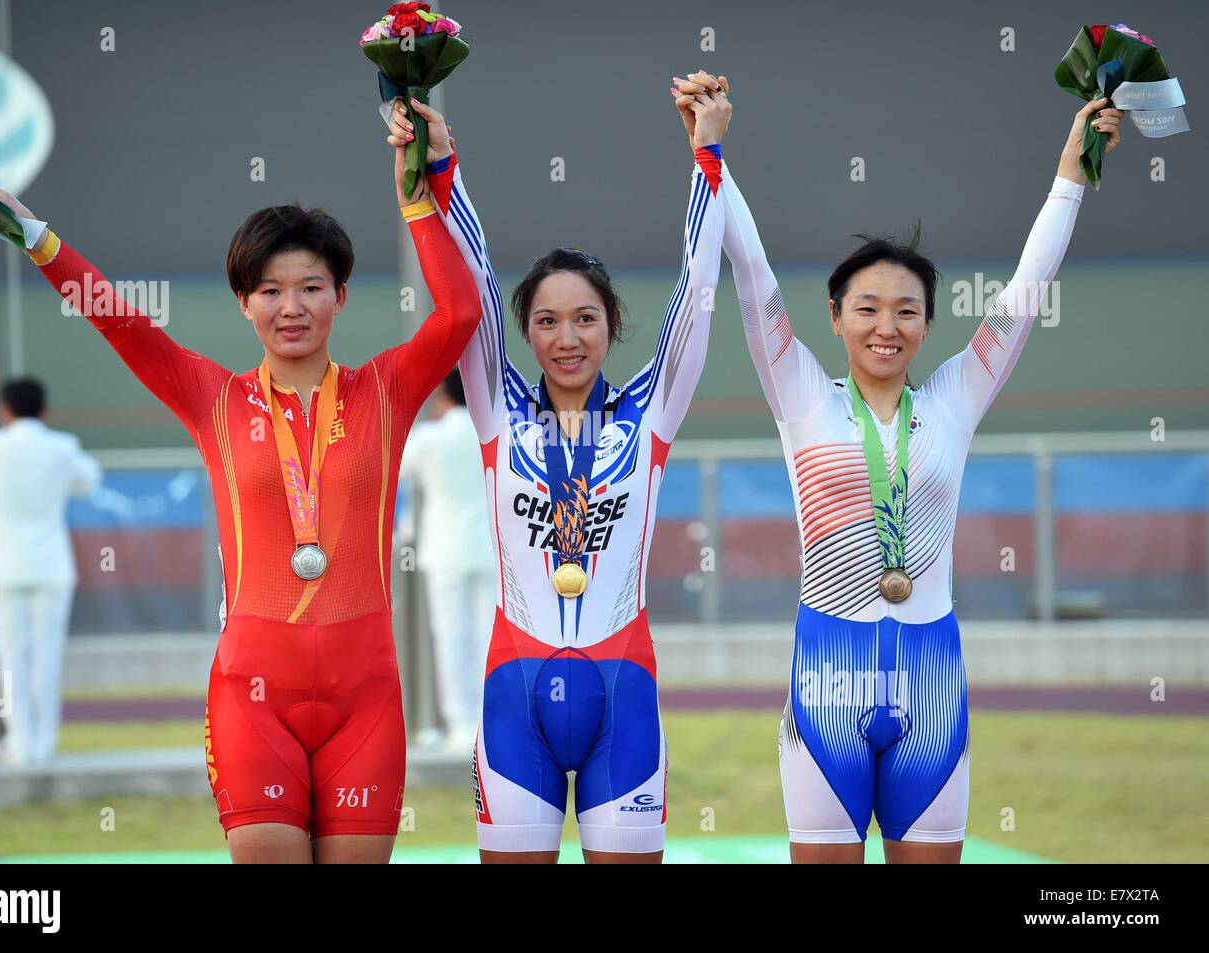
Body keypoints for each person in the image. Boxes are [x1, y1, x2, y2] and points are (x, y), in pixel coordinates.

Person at [0, 139, 480, 863]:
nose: (291, 307)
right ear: (243, 303)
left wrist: (420, 191)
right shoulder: (212, 396)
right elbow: (116, 319)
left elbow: (459, 314)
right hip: (252, 696)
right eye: (269, 290)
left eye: (311, 286)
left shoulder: (385, 392)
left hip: (368, 699)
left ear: (341, 296)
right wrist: (30, 232)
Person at [672, 71, 1124, 863]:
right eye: (868, 308)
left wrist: (1070, 176)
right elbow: (754, 281)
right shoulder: (801, 392)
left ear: (926, 325)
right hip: (826, 683)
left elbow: (1023, 294)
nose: (888, 325)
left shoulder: (955, 397)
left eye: (907, 310)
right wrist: (712, 155)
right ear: (836, 318)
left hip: (932, 684)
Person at [383, 81, 730, 863]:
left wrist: (707, 155)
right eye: (545, 320)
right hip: (514, 699)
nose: (566, 337)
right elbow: (469, 284)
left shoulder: (652, 409)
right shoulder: (496, 407)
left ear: (611, 325)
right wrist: (443, 167)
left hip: (624, 701)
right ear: (526, 333)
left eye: (584, 318)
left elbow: (698, 293)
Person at [0, 378, 101, 766]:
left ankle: (19, 744)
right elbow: (90, 479)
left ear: (5, 410)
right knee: (47, 655)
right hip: (50, 566)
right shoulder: (63, 448)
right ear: (45, 410)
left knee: (11, 655)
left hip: (2, 565)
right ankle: (44, 745)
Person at [398, 369, 496, 753]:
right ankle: (492, 724)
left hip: (444, 549)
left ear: (444, 395)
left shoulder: (430, 437)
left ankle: (460, 726)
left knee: (451, 636)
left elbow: (396, 468)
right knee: (490, 637)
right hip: (490, 547)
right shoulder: (491, 434)